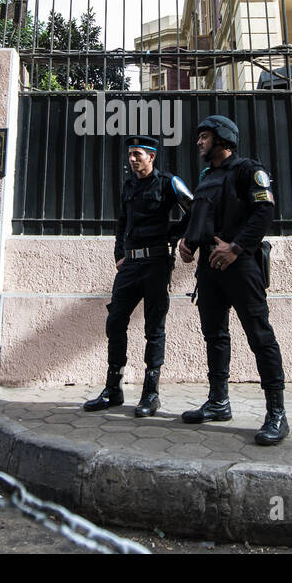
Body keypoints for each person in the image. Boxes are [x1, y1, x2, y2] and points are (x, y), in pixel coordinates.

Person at [177, 115, 289, 445]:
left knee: (259, 335)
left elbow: (264, 212)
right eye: (199, 137)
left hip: (240, 266)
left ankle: (277, 414)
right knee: (214, 334)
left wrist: (236, 248)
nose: (198, 142)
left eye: (205, 136)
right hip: (209, 268)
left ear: (223, 138)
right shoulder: (207, 176)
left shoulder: (247, 170)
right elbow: (201, 217)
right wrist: (188, 243)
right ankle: (218, 401)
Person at [83, 135, 192, 417]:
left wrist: (174, 235)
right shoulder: (129, 184)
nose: (132, 159)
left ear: (152, 157)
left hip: (156, 264)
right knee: (115, 321)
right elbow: (122, 222)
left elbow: (194, 209)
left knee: (154, 329)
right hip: (130, 266)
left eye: (138, 155)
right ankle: (113, 389)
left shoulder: (169, 182)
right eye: (131, 154)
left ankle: (150, 394)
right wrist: (118, 253)